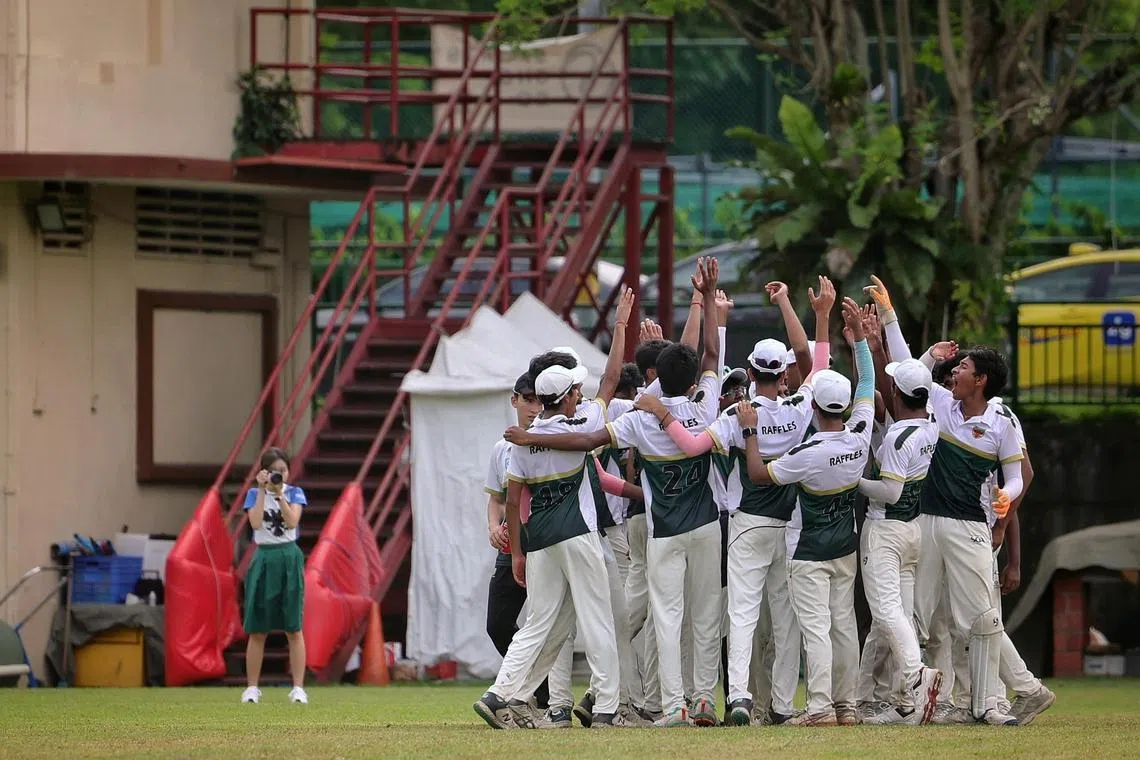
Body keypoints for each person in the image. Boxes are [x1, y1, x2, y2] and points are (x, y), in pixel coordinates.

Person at [506, 258, 725, 727]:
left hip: (663, 531)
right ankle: (705, 699)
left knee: (665, 619)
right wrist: (705, 298)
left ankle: (672, 707)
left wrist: (533, 436)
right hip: (706, 526)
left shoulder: (640, 417)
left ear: (651, 377)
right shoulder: (706, 403)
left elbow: (587, 442)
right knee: (706, 617)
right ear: (690, 381)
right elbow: (708, 354)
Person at [643, 277, 834, 726]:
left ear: (750, 372)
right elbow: (818, 366)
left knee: (742, 615)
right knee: (786, 620)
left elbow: (690, 446)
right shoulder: (800, 407)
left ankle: (741, 699)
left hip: (746, 522)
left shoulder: (734, 415)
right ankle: (784, 704)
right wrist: (814, 314)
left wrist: (665, 414)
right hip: (788, 524)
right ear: (783, 375)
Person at [474, 288, 638, 730]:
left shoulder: (520, 445)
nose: (582, 393)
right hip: (578, 533)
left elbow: (511, 501)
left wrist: (518, 553)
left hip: (540, 539)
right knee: (597, 617)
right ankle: (606, 706)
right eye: (575, 390)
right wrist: (620, 324)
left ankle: (501, 693)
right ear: (565, 397)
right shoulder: (582, 421)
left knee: (540, 621)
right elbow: (609, 381)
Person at [869, 276, 1024, 725]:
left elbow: (1015, 478)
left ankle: (993, 701)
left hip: (970, 526)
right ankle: (914, 703)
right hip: (926, 523)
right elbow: (905, 367)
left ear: (982, 381)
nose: (952, 372)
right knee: (917, 615)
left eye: (962, 369)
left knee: (978, 617)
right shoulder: (943, 404)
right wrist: (890, 313)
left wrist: (1004, 500)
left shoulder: (1002, 421)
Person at [736, 297, 872, 726]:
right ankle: (846, 705)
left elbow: (757, 474)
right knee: (844, 624)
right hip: (845, 545)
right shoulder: (860, 437)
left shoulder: (806, 454)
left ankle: (818, 707)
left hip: (808, 548)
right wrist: (861, 343)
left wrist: (752, 432)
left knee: (814, 628)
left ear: (814, 408)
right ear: (845, 407)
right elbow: (865, 385)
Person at [855, 358, 944, 725]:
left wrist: (851, 480)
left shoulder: (897, 437)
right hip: (911, 533)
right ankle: (872, 700)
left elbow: (890, 492)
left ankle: (915, 676)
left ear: (897, 393)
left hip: (885, 530)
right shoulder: (932, 424)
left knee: (888, 612)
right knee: (891, 618)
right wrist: (925, 359)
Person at [483, 373, 550, 714]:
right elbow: (496, 499)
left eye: (539, 399)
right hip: (510, 547)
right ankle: (537, 685)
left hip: (543, 544)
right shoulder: (503, 448)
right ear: (514, 401)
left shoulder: (551, 439)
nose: (534, 406)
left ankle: (549, 697)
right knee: (497, 624)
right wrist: (493, 527)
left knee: (545, 622)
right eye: (527, 399)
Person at [240, 447, 308, 705]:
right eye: (274, 471)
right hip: (264, 556)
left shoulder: (295, 493)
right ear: (264, 472)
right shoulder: (253, 495)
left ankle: (298, 687)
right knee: (257, 628)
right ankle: (252, 688)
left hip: (289, 556)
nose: (279, 475)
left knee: (294, 627)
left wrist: (280, 496)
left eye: (283, 470)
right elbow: (256, 523)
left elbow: (292, 522)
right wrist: (261, 490)